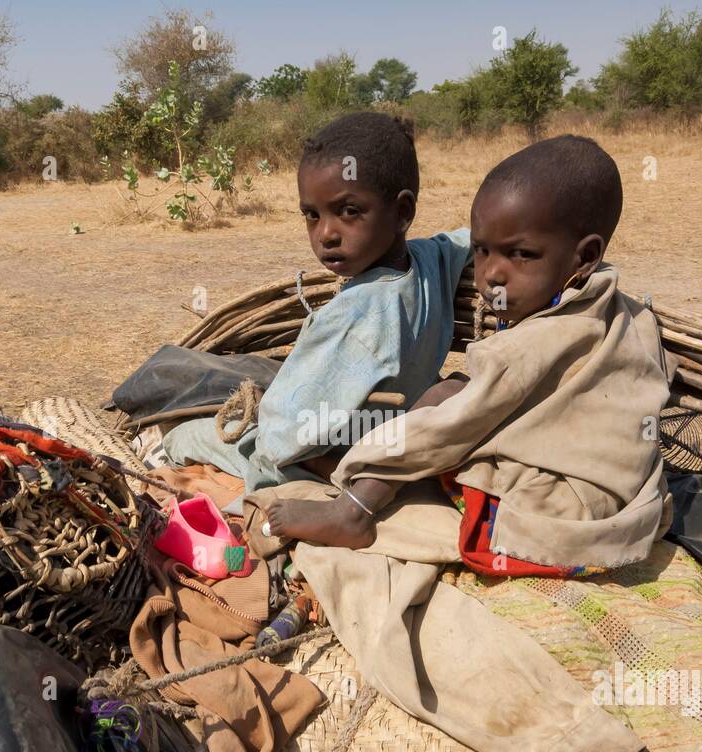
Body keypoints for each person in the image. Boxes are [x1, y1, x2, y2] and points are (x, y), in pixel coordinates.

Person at [265, 134, 673, 578]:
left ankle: (353, 509)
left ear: (586, 255)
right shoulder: (627, 314)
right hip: (622, 497)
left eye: (520, 254)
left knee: (447, 394)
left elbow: (448, 430)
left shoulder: (524, 349)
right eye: (481, 250)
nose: (492, 274)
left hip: (554, 514)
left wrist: (359, 461)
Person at [161, 111, 471, 492]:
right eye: (312, 215)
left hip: (319, 461)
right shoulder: (432, 261)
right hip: (382, 429)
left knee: (179, 438)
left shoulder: (355, 319)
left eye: (348, 211)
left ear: (402, 212)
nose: (326, 234)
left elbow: (278, 440)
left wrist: (270, 412)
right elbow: (469, 236)